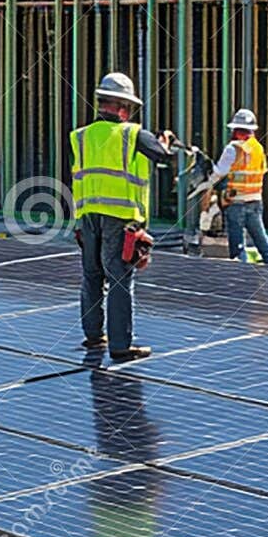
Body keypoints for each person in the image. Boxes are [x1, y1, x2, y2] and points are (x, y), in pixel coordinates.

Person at [69, 71, 177, 361]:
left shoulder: (80, 136)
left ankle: (94, 336)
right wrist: (164, 141)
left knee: (92, 275)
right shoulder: (132, 134)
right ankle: (120, 345)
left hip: (88, 216)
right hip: (121, 218)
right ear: (122, 107)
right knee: (120, 280)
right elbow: (164, 156)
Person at [203, 108, 268, 265]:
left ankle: (241, 273)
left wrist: (208, 180)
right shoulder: (258, 148)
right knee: (260, 237)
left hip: (236, 201)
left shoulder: (233, 148)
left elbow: (219, 172)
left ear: (236, 130)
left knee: (237, 243)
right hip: (255, 200)